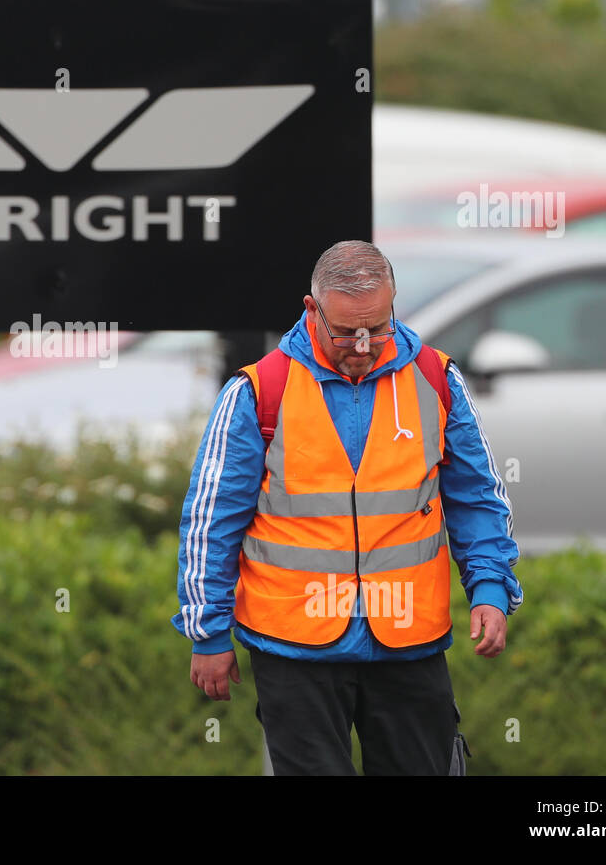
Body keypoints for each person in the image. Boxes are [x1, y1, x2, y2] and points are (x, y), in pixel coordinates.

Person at [173, 240, 521, 775]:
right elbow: (210, 521)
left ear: (394, 303)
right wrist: (209, 632)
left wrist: (491, 588)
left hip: (409, 642)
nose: (362, 345)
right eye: (344, 331)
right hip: (294, 648)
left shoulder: (436, 379)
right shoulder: (258, 390)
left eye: (377, 328)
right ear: (311, 310)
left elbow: (477, 497)